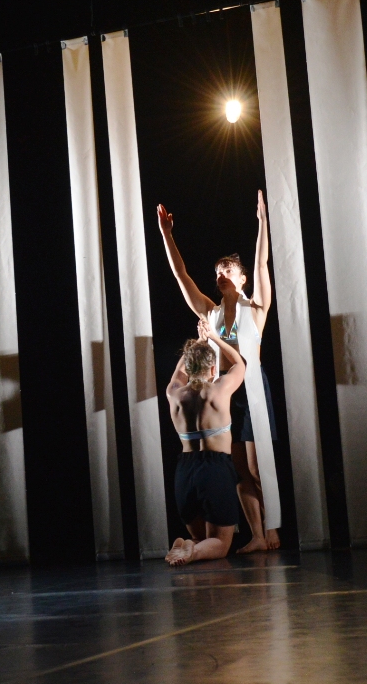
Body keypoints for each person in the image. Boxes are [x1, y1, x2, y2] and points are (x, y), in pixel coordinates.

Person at [157, 189, 282, 552]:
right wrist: (167, 235)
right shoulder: (209, 313)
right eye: (217, 271)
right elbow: (181, 276)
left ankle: (271, 529)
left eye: (228, 270)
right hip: (225, 394)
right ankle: (256, 535)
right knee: (240, 469)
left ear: (240, 279)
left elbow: (262, 266)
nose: (221, 274)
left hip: (253, 389)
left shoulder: (255, 308)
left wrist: (262, 224)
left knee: (258, 469)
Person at [165, 318, 246, 566]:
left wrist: (199, 342)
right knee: (221, 544)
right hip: (215, 468)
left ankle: (189, 546)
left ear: (189, 368)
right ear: (213, 370)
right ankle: (192, 551)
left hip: (185, 469)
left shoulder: (175, 394)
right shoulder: (218, 389)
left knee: (202, 538)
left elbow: (178, 374)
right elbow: (240, 364)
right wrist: (215, 338)